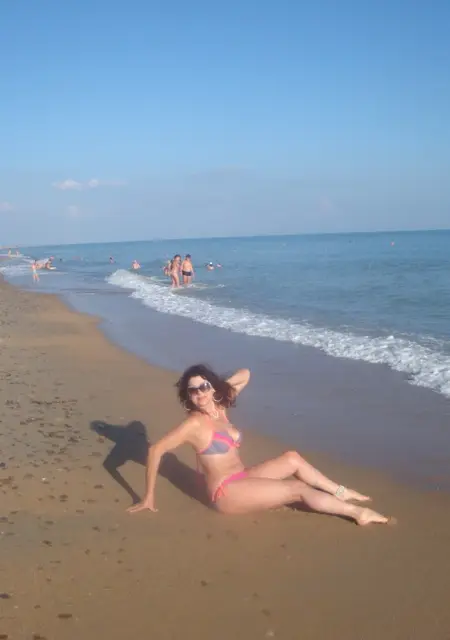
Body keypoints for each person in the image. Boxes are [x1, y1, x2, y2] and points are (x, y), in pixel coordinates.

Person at [128, 364, 391, 525]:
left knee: (292, 458)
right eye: (193, 390)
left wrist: (219, 387)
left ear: (212, 387)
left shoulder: (220, 408)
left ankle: (340, 491)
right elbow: (155, 450)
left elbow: (245, 374)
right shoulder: (194, 424)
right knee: (297, 489)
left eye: (203, 386)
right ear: (188, 395)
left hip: (242, 477)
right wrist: (148, 497)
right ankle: (357, 513)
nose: (199, 394)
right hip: (226, 493)